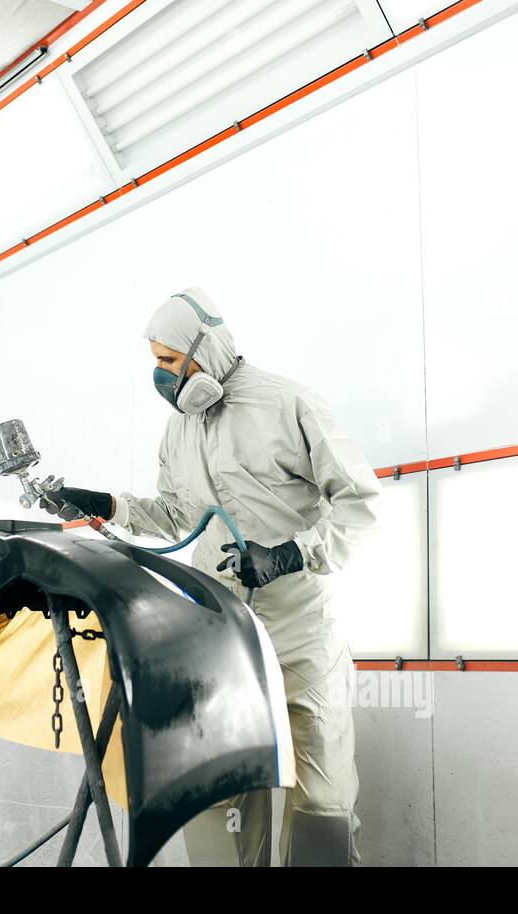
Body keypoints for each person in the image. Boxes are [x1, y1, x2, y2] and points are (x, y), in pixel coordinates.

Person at [41, 287, 380, 866]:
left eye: (169, 362)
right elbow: (177, 514)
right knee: (220, 786)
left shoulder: (290, 404)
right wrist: (104, 504)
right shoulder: (179, 431)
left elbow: (361, 504)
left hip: (301, 630)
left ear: (207, 349)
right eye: (155, 364)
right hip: (224, 628)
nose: (161, 377)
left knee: (320, 793)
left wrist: (289, 554)